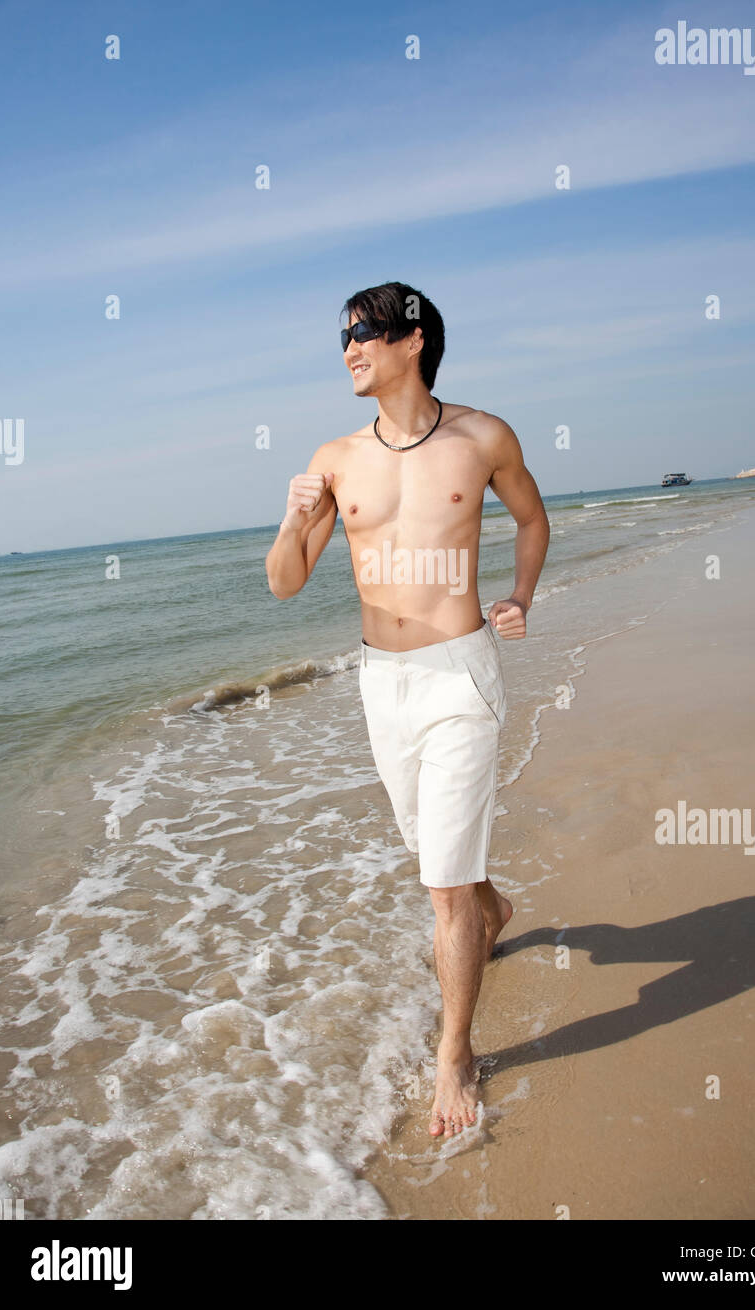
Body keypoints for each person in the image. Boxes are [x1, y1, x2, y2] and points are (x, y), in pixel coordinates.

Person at [266, 281, 550, 1138]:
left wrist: (520, 595)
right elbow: (284, 585)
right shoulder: (335, 460)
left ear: (412, 339)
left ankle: (454, 1052)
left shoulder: (482, 436)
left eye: (363, 333)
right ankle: (492, 907)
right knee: (440, 858)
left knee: (441, 891)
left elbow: (534, 522)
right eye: (343, 338)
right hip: (380, 684)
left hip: (459, 675)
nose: (349, 349)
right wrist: (292, 521)